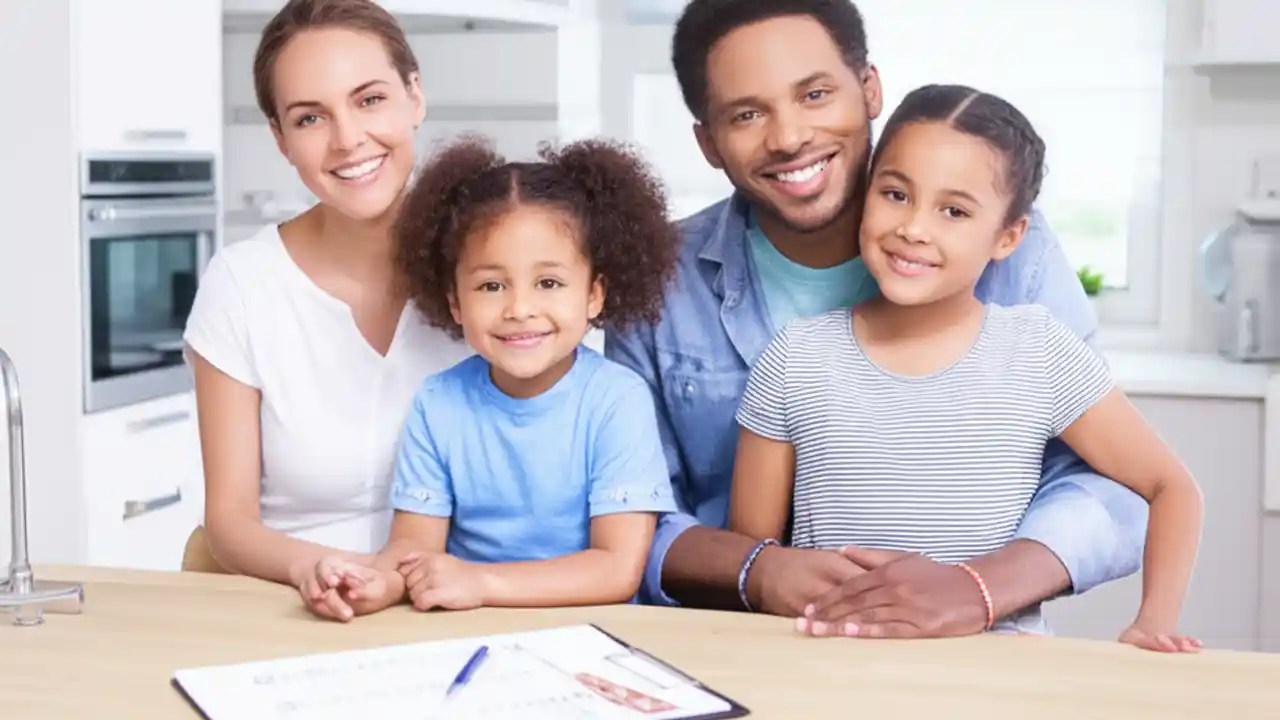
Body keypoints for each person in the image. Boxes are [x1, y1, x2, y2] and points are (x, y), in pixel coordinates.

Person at [604, 0, 1151, 636]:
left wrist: (975, 589)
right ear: (707, 142)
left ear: (869, 90)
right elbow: (625, 510)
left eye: (814, 94)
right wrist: (756, 568)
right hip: (751, 647)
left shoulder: (1006, 250)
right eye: (747, 114)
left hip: (971, 655)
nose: (787, 137)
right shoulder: (657, 282)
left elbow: (1116, 486)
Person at [729, 84, 1204, 652]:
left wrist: (1155, 619)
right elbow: (751, 558)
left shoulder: (1038, 351)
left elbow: (1170, 486)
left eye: (953, 211)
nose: (914, 228)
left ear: (1008, 236)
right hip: (830, 669)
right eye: (895, 194)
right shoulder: (795, 358)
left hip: (996, 678)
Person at [298, 137, 682, 621]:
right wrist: (378, 582)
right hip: (465, 629)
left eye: (548, 283)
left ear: (593, 295)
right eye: (491, 286)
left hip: (594, 633)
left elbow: (616, 570)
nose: (519, 309)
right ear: (455, 302)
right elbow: (413, 547)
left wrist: (480, 581)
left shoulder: (616, 401)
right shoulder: (438, 403)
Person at [182, 0, 469, 606]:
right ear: (281, 139)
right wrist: (325, 571)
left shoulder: (491, 270)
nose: (347, 140)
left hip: (456, 608)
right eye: (310, 118)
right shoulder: (242, 283)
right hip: (297, 610)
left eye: (369, 100)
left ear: (414, 96)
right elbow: (228, 525)